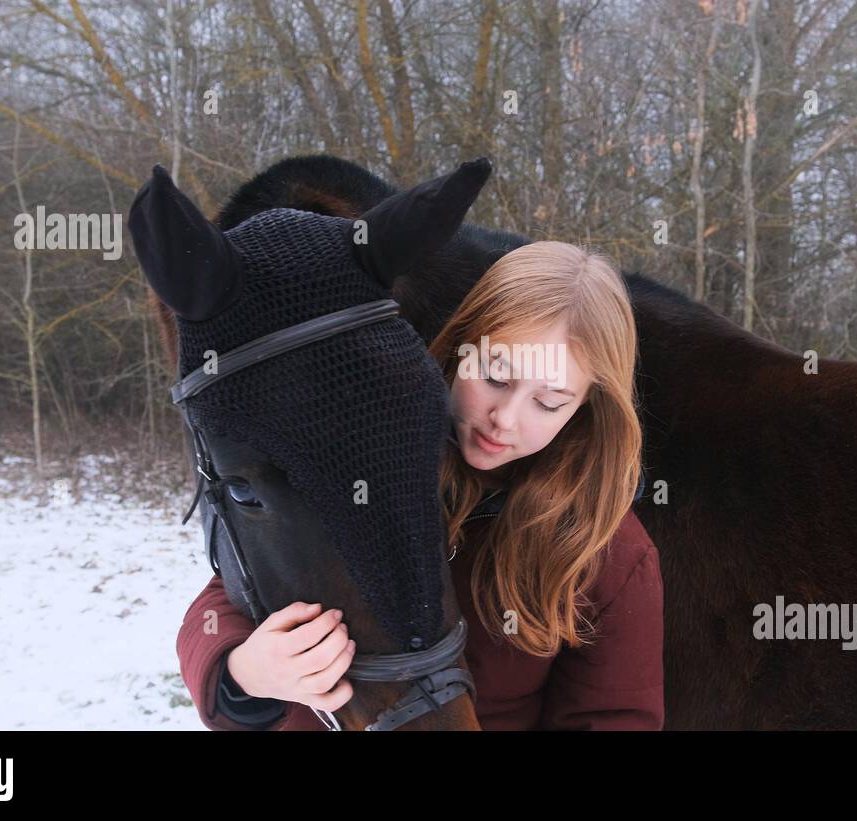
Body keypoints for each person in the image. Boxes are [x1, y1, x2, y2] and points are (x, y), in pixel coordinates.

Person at [176, 240, 663, 730]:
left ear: (587, 407)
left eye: (549, 402)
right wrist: (240, 672)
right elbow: (242, 578)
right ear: (460, 344)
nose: (505, 419)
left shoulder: (607, 550)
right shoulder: (365, 460)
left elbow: (613, 718)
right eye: (496, 375)